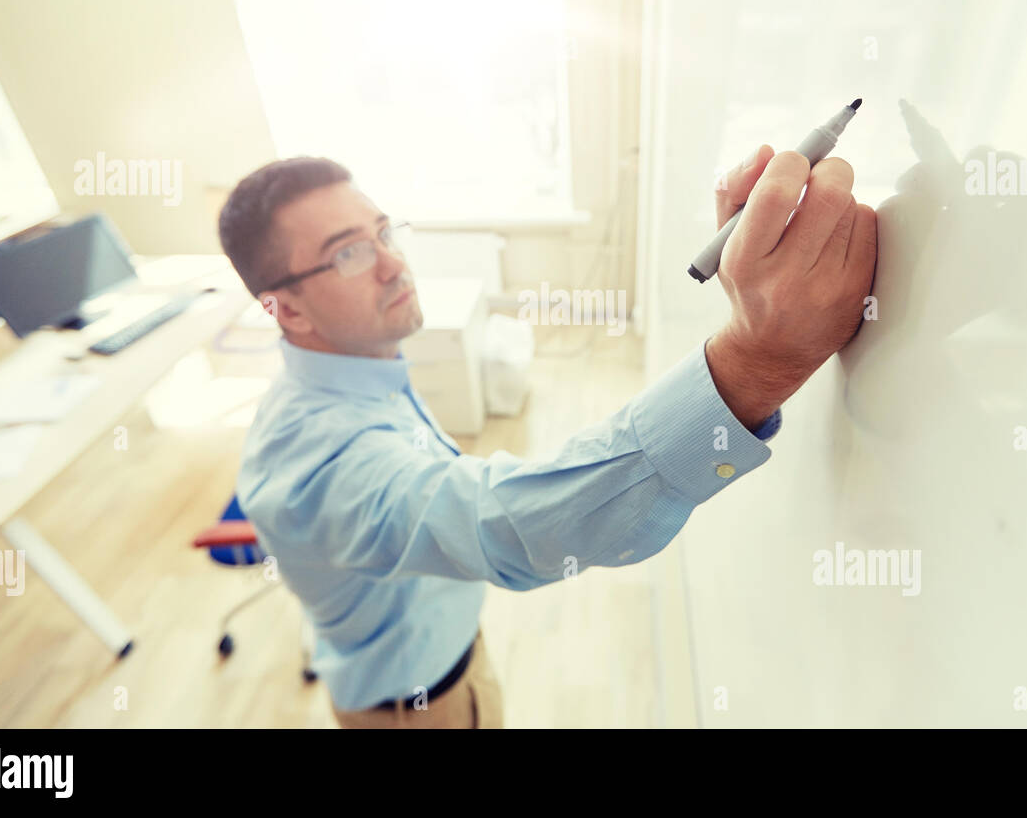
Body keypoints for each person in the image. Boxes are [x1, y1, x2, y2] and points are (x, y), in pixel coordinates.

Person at [218, 148, 876, 728]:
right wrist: (751, 363)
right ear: (287, 308)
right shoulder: (321, 464)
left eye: (384, 231)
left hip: (444, 652)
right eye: (348, 252)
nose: (394, 264)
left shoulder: (352, 368)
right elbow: (506, 525)